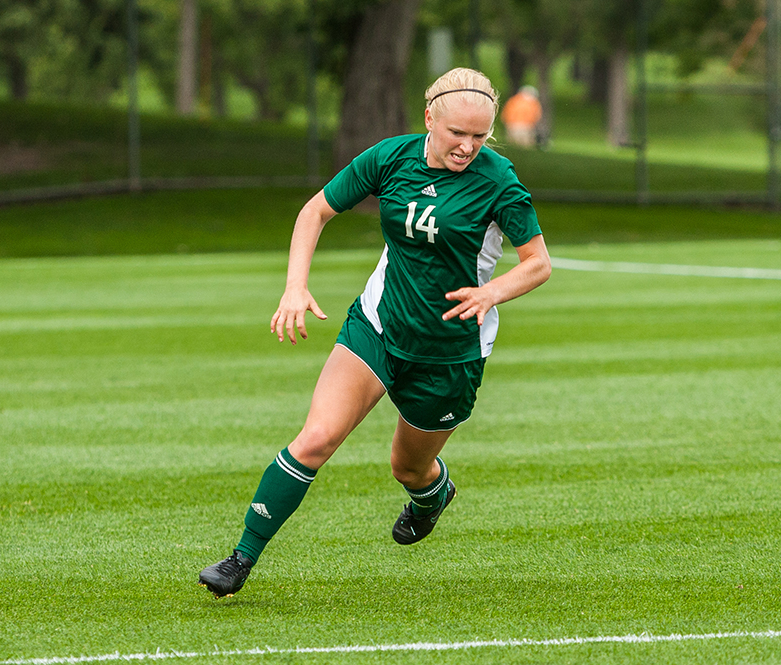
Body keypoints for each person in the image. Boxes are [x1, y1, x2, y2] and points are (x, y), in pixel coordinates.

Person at [198, 67, 552, 599]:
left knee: (407, 467)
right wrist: (295, 287)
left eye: (480, 136)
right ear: (429, 117)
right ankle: (240, 558)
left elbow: (538, 263)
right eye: (458, 134)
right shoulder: (390, 158)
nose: (468, 147)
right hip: (378, 326)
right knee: (315, 439)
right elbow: (315, 211)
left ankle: (432, 495)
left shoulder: (498, 180)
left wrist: (491, 293)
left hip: (449, 352)